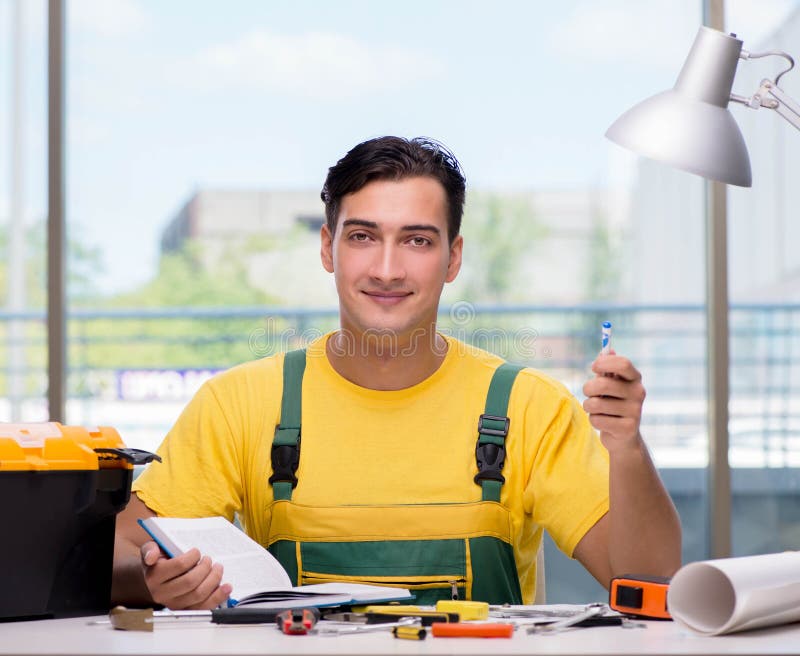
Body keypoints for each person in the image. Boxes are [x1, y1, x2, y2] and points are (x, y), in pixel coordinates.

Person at [112, 136, 681, 610]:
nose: (387, 269)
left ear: (453, 258)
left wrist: (627, 447)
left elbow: (648, 585)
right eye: (363, 237)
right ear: (328, 248)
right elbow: (117, 552)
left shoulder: (526, 405)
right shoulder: (240, 403)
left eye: (416, 240)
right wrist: (153, 578)